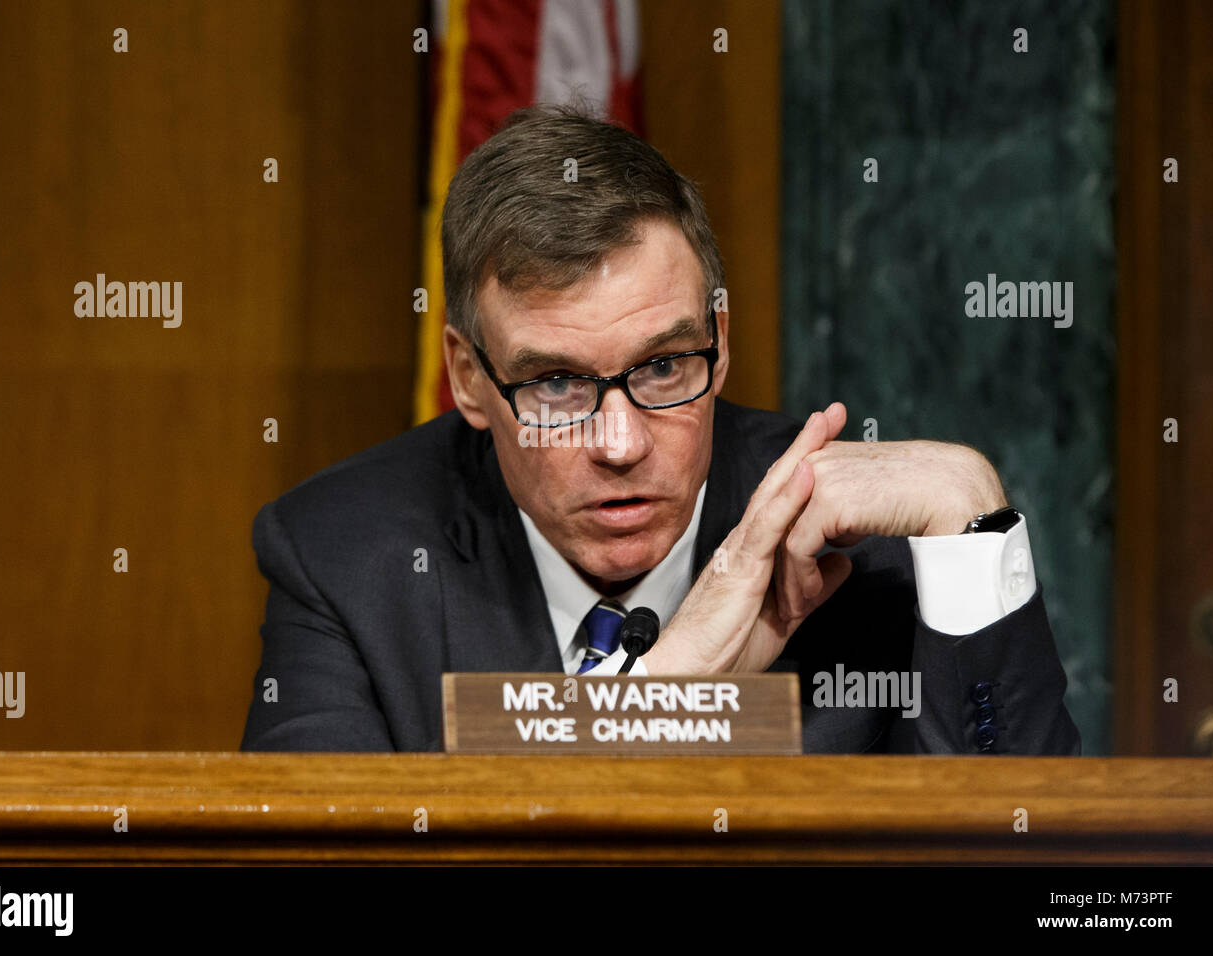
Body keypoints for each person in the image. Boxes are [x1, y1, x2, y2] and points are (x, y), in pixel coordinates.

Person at [241, 105, 1080, 755]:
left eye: (662, 367)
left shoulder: (870, 556)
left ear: (720, 343)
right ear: (468, 376)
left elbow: (1045, 888)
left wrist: (970, 511)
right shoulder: (345, 557)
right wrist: (668, 686)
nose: (620, 443)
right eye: (558, 383)